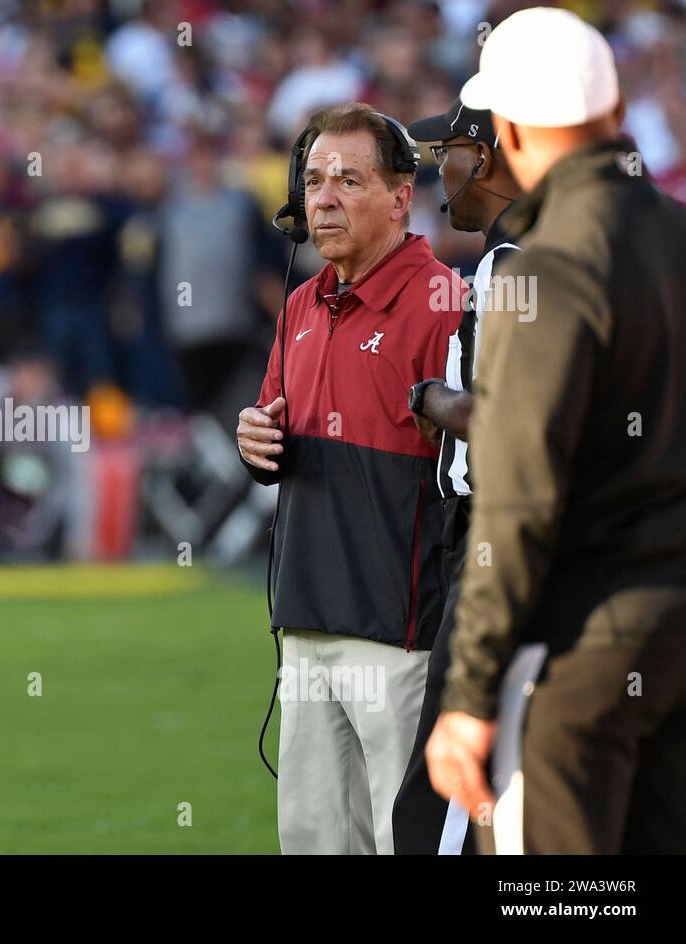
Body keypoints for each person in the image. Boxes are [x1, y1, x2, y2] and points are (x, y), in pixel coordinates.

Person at [426, 7, 686, 854]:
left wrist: (467, 699)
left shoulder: (551, 265)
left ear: (507, 129)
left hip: (581, 647)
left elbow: (519, 498)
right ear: (613, 114)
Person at [236, 103, 461, 854]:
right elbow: (275, 435)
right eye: (312, 180)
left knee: (407, 840)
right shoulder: (298, 305)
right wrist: (255, 442)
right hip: (303, 623)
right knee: (312, 839)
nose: (322, 198)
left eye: (348, 180)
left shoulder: (445, 305)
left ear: (401, 197)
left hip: (399, 635)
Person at [392, 97, 521, 855]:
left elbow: (509, 416)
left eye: (449, 155)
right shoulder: (575, 253)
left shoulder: (513, 261)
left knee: (450, 772)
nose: (442, 176)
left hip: (494, 537)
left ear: (490, 156)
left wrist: (430, 397)